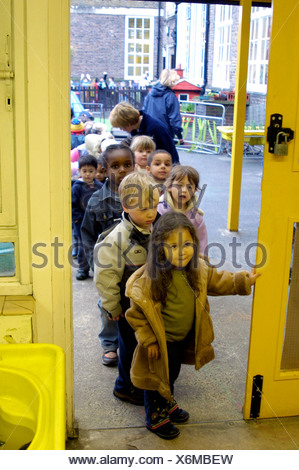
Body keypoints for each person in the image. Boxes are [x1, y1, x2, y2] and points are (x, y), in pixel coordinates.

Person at [125, 212, 260, 439]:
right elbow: (136, 314)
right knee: (157, 379)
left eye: (187, 244)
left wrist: (243, 280)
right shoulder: (149, 279)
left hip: (180, 338)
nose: (182, 251)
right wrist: (148, 340)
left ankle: (167, 404)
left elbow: (220, 281)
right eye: (174, 246)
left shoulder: (198, 269)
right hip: (160, 341)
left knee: (172, 374)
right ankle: (155, 417)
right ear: (160, 248)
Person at [94, 172, 161, 405]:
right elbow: (105, 277)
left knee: (146, 345)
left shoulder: (154, 227)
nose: (151, 213)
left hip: (150, 302)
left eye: (154, 205)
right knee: (130, 345)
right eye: (143, 209)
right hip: (126, 307)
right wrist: (112, 307)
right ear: (125, 206)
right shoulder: (116, 239)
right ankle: (124, 386)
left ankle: (144, 380)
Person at [81, 144, 134, 366]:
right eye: (115, 166)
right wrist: (93, 266)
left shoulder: (142, 196)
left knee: (135, 303)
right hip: (109, 266)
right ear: (104, 168)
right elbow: (87, 235)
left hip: (135, 265)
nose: (122, 170)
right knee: (109, 307)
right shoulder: (97, 201)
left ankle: (135, 342)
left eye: (127, 165)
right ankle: (110, 343)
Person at [158, 165, 208, 255]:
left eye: (189, 187)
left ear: (195, 190)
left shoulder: (196, 217)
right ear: (169, 187)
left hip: (187, 258)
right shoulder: (159, 210)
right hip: (163, 257)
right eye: (179, 185)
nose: (184, 190)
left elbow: (201, 242)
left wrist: (201, 259)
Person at [109, 101, 180, 164]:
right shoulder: (136, 129)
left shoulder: (156, 129)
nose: (121, 129)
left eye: (122, 126)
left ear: (128, 123)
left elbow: (169, 153)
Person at [71, 155, 103, 280]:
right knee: (83, 245)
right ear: (79, 171)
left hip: (97, 222)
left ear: (96, 171)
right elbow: (73, 206)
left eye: (91, 171)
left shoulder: (100, 187)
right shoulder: (77, 187)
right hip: (82, 223)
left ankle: (96, 268)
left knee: (97, 245)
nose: (88, 174)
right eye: (84, 171)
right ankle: (83, 268)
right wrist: (77, 219)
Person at [143, 69, 184, 144]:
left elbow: (144, 112)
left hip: (149, 132)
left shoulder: (150, 94)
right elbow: (174, 118)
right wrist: (179, 135)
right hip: (164, 133)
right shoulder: (170, 96)